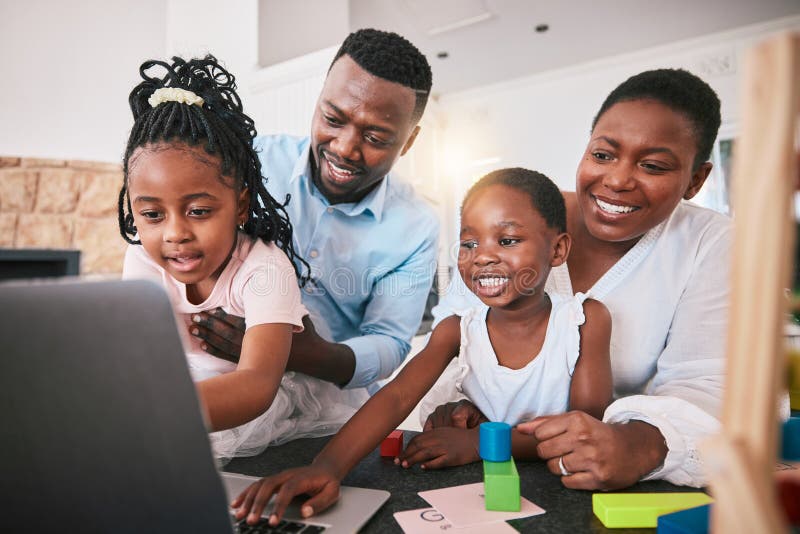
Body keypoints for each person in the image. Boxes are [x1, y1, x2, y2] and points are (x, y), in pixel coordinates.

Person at [231, 168, 613, 526]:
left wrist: (478, 443)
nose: (482, 255)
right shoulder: (457, 329)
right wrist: (327, 467)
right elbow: (396, 396)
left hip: (560, 490)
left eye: (508, 240)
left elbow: (581, 430)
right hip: (478, 493)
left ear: (558, 250)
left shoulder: (584, 321)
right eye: (468, 243)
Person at [422, 68, 730, 490]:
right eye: (603, 155)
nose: (618, 180)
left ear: (695, 180)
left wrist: (639, 444)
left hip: (602, 480)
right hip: (486, 471)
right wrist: (456, 402)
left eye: (653, 165)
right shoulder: (512, 225)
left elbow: (711, 384)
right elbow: (452, 340)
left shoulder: (711, 243)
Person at [118, 55, 362, 461]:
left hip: (256, 397)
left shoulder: (264, 269)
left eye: (198, 211)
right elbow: (142, 358)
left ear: (241, 206)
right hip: (181, 389)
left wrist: (155, 414)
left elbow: (255, 385)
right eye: (152, 215)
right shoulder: (142, 261)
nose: (175, 232)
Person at [189, 28, 439, 396]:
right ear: (319, 100)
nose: (345, 149)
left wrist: (293, 352)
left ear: (409, 141)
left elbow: (388, 341)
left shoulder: (416, 226)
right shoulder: (251, 162)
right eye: (333, 119)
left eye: (375, 138)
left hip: (330, 398)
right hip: (219, 374)